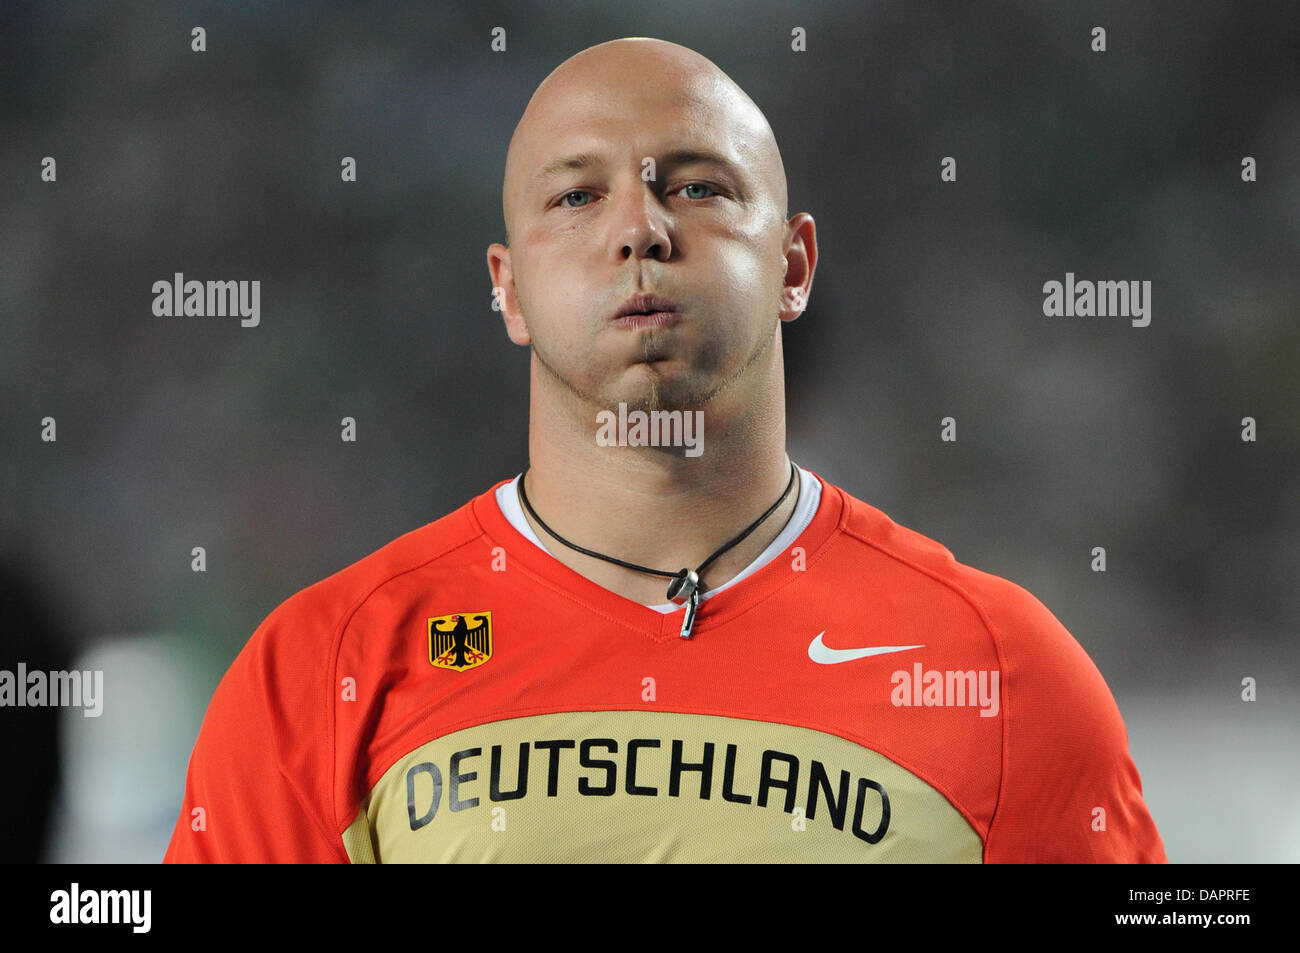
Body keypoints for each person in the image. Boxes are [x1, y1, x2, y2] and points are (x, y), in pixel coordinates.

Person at [164, 37, 1166, 863]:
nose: (639, 227)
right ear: (506, 288)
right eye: (577, 197)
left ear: (794, 264)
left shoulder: (1002, 674)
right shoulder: (324, 670)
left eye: (694, 187)